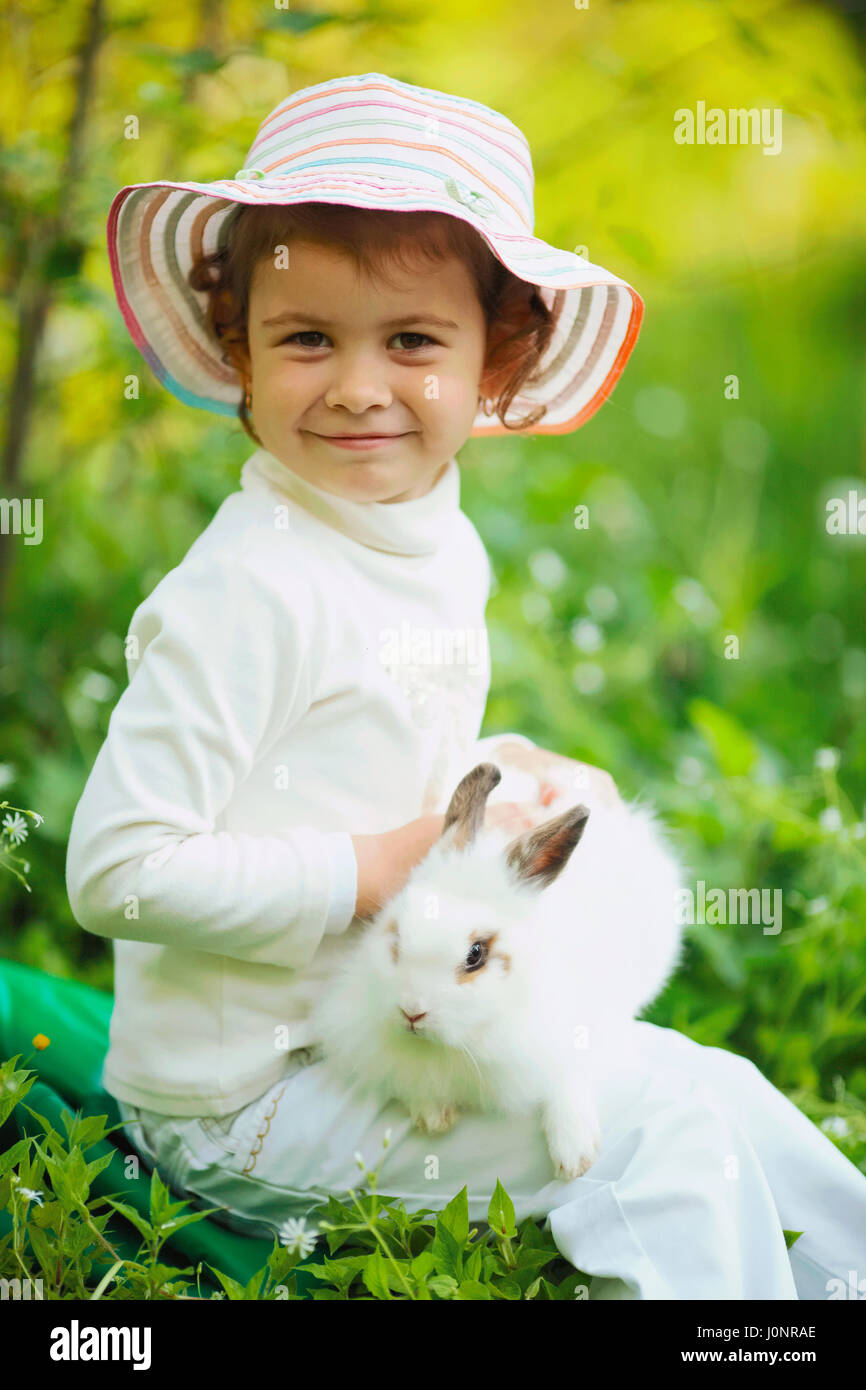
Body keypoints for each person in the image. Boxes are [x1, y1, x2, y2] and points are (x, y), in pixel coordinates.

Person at [66, 72, 866, 1300]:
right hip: (246, 1100)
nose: (355, 385)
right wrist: (371, 867)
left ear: (498, 358)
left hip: (396, 1031)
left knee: (714, 1085)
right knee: (654, 1133)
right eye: (304, 337)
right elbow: (116, 868)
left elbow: (361, 745)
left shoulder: (431, 545)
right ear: (237, 350)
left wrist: (493, 775)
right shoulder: (242, 595)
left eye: (412, 340)